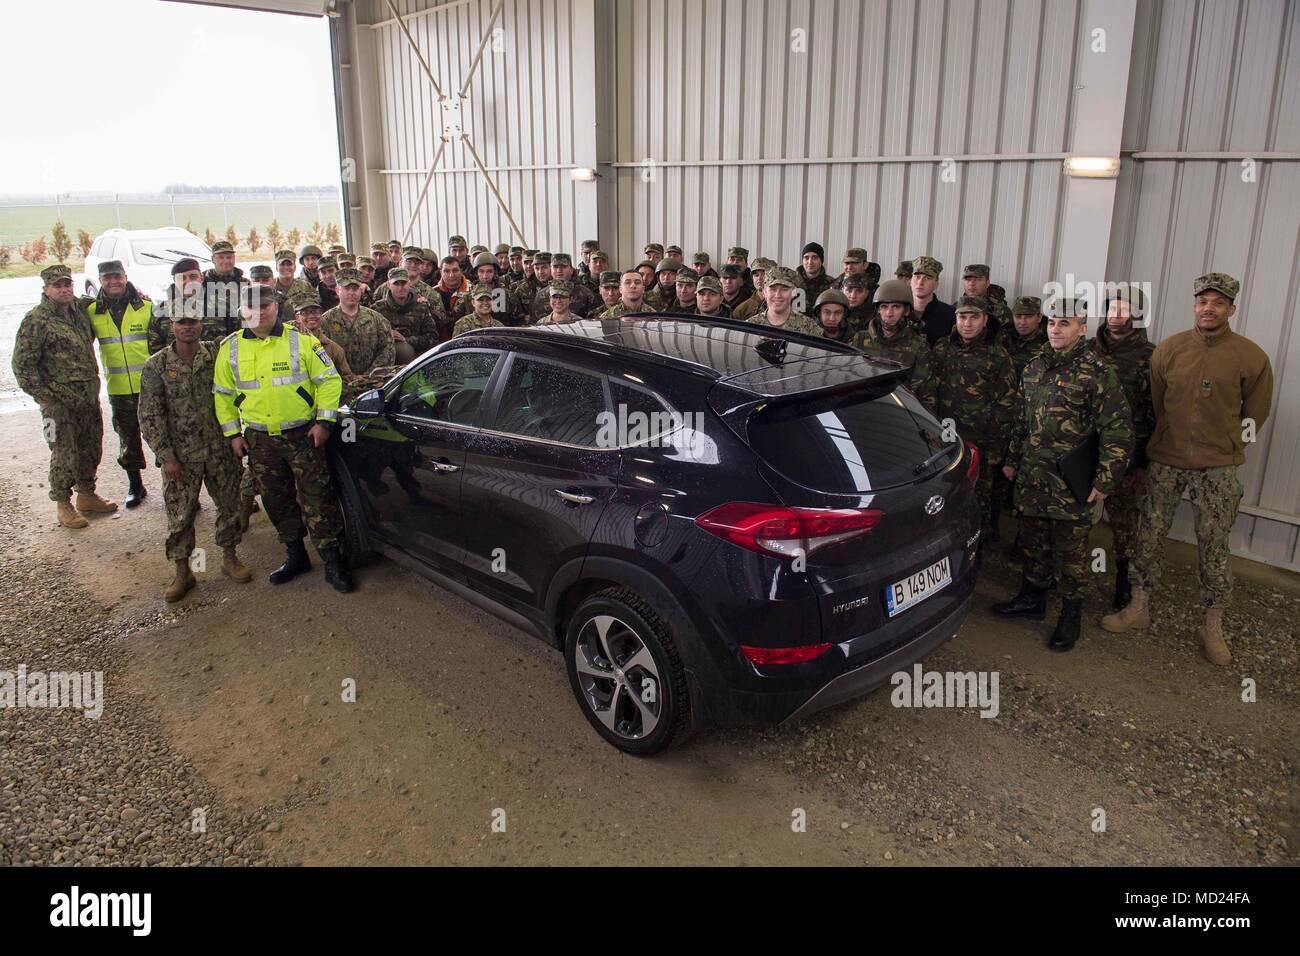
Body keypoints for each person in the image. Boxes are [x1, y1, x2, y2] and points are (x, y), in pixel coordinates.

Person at [1101, 273, 1274, 666]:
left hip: (1217, 468)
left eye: (1218, 303)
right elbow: (1158, 403)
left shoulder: (1251, 357)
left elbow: (1254, 414)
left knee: (1214, 546)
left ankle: (1212, 625)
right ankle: (1138, 608)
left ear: (1231, 309)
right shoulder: (1170, 350)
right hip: (1166, 461)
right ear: (1194, 305)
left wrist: (1228, 446)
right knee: (1148, 537)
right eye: (1202, 301)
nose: (1208, 309)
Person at [994, 305, 1133, 650]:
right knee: (1033, 543)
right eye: (1052, 323)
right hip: (1033, 476)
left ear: (1082, 329)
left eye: (1065, 324)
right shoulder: (1035, 366)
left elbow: (1118, 429)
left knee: (1070, 554)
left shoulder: (1097, 372)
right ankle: (1032, 599)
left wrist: (1105, 479)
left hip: (1070, 482)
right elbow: (1022, 419)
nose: (1055, 329)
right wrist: (1013, 459)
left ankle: (1070, 616)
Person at [213, 284, 350, 591]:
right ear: (242, 311)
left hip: (304, 436)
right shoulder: (230, 347)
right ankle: (296, 555)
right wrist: (233, 433)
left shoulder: (301, 340)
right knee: (276, 500)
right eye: (252, 307)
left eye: (265, 306)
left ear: (275, 307)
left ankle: (333, 560)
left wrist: (324, 422)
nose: (259, 312)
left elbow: (329, 381)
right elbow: (223, 395)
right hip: (260, 440)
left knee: (319, 499)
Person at [137, 311, 251, 601]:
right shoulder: (157, 365)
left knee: (230, 505)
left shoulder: (215, 354)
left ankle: (229, 558)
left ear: (202, 324)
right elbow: (150, 415)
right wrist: (166, 456)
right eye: (181, 322)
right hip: (182, 455)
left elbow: (248, 342)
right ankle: (183, 571)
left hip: (219, 449)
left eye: (193, 322)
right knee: (181, 514)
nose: (187, 327)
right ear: (172, 326)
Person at [12, 264, 118, 528]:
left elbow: (107, 298)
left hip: (87, 398)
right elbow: (22, 366)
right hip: (58, 405)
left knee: (91, 447)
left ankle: (87, 494)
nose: (63, 289)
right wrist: (47, 398)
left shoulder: (80, 310)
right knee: (63, 452)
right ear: (46, 289)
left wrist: (137, 294)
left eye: (67, 284)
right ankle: (63, 503)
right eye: (57, 285)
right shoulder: (36, 320)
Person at [928, 295, 1017, 540]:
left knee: (979, 498)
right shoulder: (942, 348)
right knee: (945, 493)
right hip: (945, 439)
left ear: (985, 320)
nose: (967, 323)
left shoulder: (998, 356)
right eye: (962, 317)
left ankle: (978, 545)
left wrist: (997, 447)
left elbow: (1006, 404)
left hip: (981, 441)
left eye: (974, 317)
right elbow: (929, 392)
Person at [1091, 288, 1156, 609]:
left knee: (1124, 522)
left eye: (1124, 309)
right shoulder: (1088, 349)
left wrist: (1141, 460)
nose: (1116, 315)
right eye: (1112, 308)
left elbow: (1154, 411)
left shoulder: (1150, 356)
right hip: (1085, 450)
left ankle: (1123, 581)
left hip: (1125, 455)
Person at [83, 260, 152, 508]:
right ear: (100, 281)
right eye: (107, 278)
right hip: (119, 389)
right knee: (128, 439)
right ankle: (135, 485)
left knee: (162, 436)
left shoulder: (147, 307)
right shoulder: (92, 311)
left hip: (149, 388)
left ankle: (176, 485)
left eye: (117, 276)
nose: (113, 282)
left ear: (125, 276)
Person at [852, 278, 934, 407]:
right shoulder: (860, 339)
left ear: (906, 311)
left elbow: (926, 395)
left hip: (900, 410)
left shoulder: (919, 347)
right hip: (863, 408)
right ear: (878, 310)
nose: (889, 313)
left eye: (896, 307)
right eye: (884, 307)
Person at [320, 269, 396, 374]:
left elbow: (387, 350)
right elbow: (321, 355)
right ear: (338, 290)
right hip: (339, 380)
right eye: (347, 288)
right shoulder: (325, 321)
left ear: (360, 291)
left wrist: (369, 375)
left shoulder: (377, 319)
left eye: (355, 289)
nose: (351, 293)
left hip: (373, 379)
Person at [372, 267, 444, 360]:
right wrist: (388, 336)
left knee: (405, 351)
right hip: (385, 356)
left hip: (416, 357)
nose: (400, 288)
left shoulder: (421, 307)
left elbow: (432, 337)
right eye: (396, 284)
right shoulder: (377, 308)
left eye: (403, 283)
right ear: (389, 285)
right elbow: (370, 338)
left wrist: (405, 340)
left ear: (409, 284)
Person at [289, 293, 352, 378]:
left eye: (315, 312)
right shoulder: (287, 342)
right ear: (297, 317)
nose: (311, 316)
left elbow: (347, 378)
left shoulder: (334, 349)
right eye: (305, 312)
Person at [746, 267, 821, 334]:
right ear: (764, 292)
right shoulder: (750, 326)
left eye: (784, 289)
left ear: (794, 292)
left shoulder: (809, 327)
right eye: (773, 289)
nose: (778, 295)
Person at [911, 256, 956, 346]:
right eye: (917, 277)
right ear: (911, 281)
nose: (920, 282)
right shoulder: (899, 312)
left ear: (936, 284)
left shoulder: (950, 316)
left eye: (927, 278)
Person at [731, 257, 773, 322]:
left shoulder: (781, 305)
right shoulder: (742, 310)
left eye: (764, 274)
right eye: (756, 275)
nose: (759, 278)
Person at [797, 242, 832, 313]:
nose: (810, 262)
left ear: (821, 261)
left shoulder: (832, 284)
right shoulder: (791, 282)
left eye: (814, 258)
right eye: (806, 258)